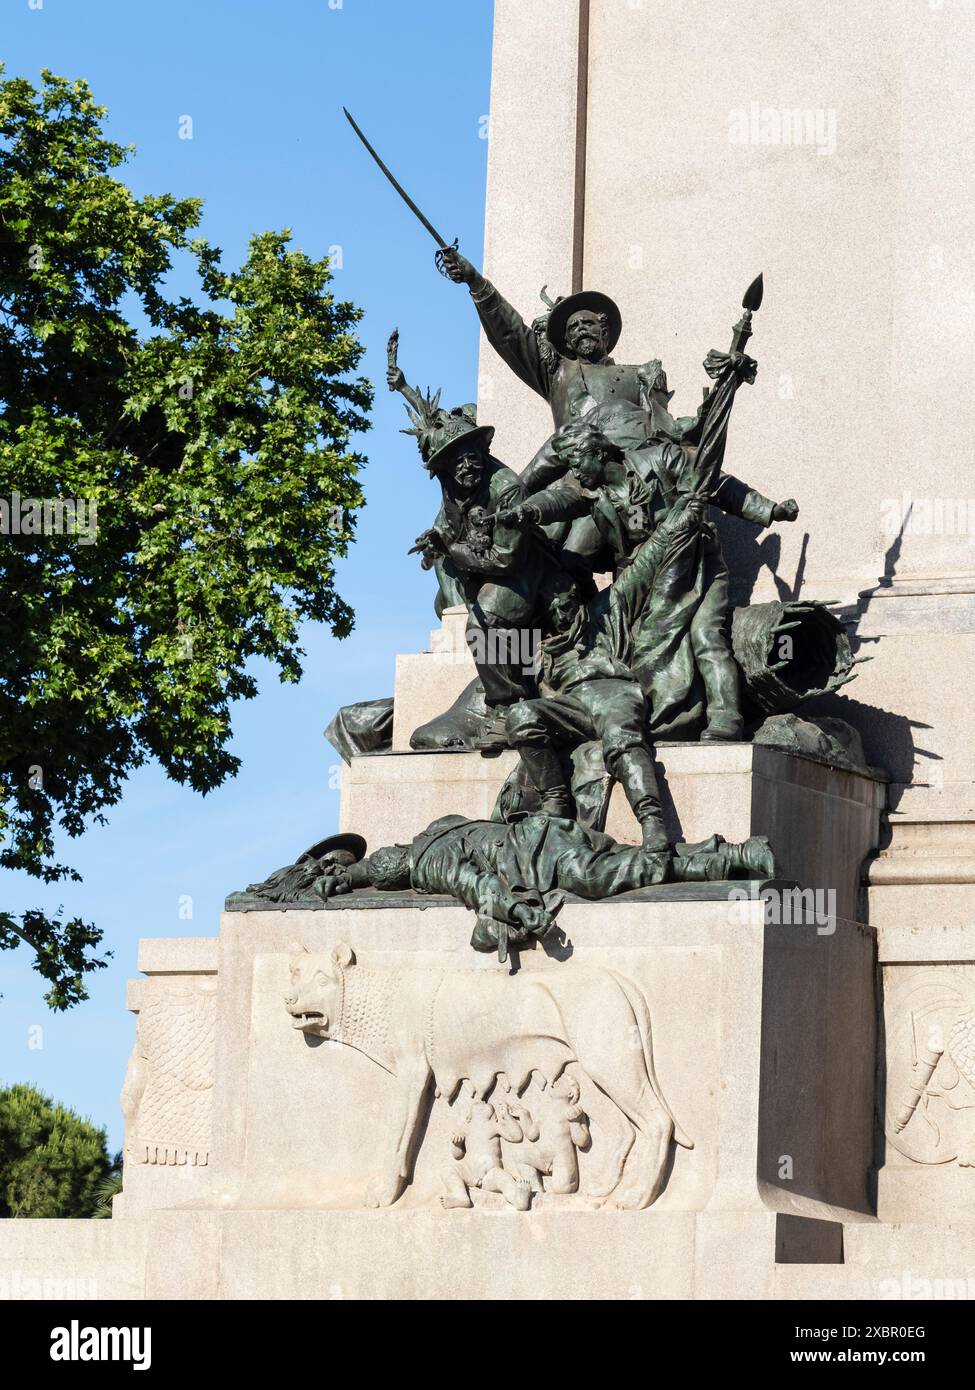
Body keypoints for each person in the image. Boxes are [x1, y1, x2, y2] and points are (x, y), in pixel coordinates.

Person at [497, 355, 799, 741]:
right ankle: (647, 713)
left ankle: (726, 717)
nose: (575, 471)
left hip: (697, 566)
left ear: (598, 451)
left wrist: (770, 510)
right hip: (645, 579)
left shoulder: (663, 458)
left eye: (577, 462)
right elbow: (558, 501)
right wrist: (526, 512)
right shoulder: (594, 492)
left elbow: (718, 484)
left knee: (706, 636)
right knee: (631, 648)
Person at [502, 494, 711, 850]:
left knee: (620, 740)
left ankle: (652, 822)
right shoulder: (537, 650)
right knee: (521, 716)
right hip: (571, 707)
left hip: (613, 691)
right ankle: (555, 800)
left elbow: (644, 567)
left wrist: (680, 521)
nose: (562, 604)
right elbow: (495, 651)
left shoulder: (605, 610)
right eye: (553, 601)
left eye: (567, 595)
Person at [315, 811, 776, 960]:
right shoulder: (442, 827)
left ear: (401, 876)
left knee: (622, 873)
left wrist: (518, 915)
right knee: (628, 865)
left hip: (542, 859)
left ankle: (736, 856)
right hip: (544, 837)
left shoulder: (430, 864)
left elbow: (478, 889)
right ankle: (733, 854)